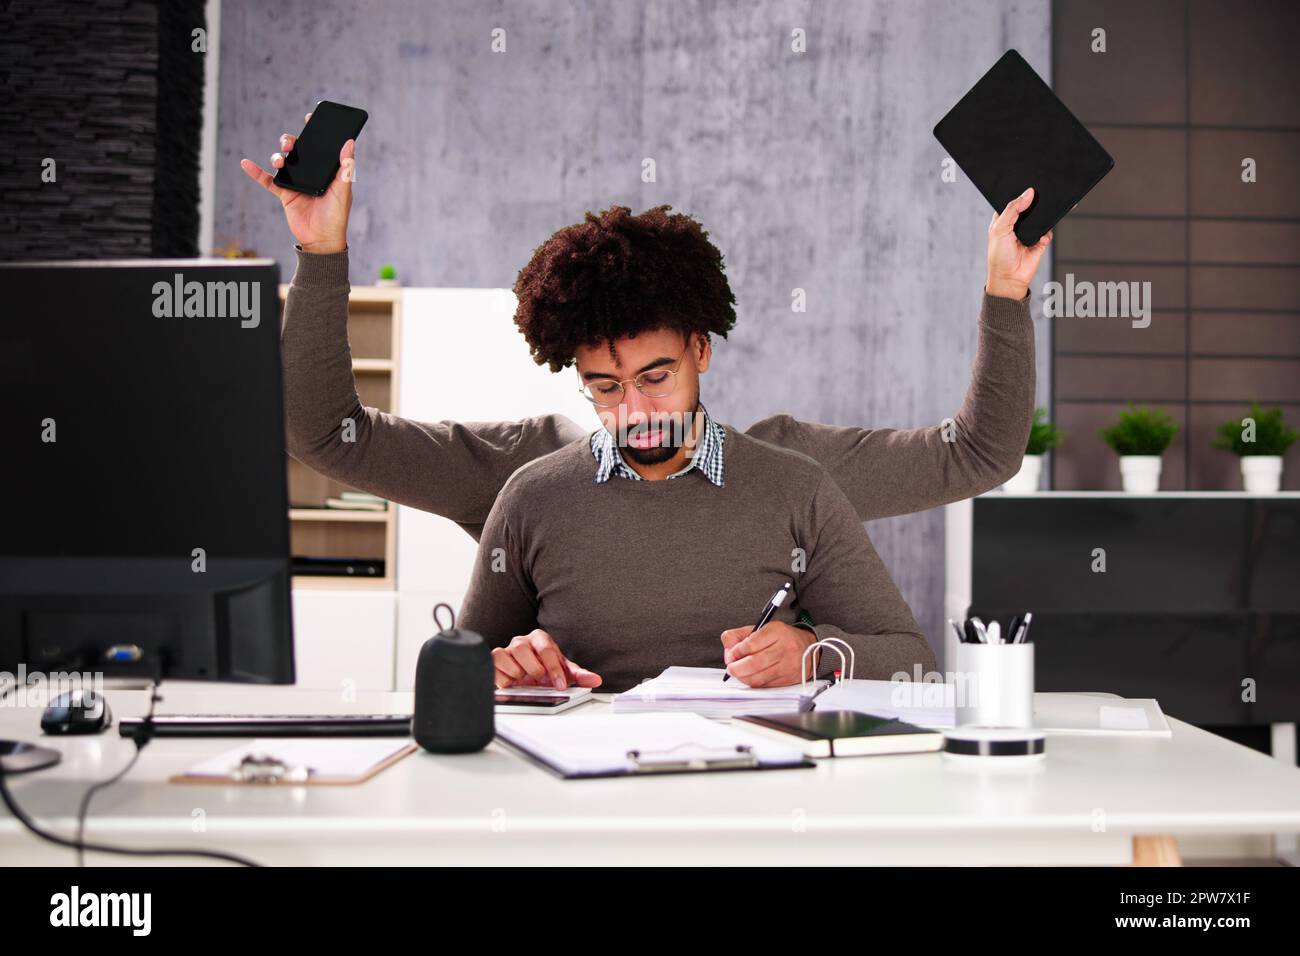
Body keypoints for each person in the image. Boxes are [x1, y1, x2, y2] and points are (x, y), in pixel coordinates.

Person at [240, 119, 1050, 688]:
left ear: (701, 349)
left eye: (656, 376)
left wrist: (1006, 290)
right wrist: (319, 252)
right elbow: (326, 435)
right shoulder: (524, 478)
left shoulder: (797, 474)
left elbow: (981, 454)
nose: (635, 409)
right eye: (605, 386)